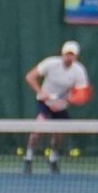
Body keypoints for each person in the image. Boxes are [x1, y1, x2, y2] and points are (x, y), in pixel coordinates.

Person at [21, 40, 87, 172]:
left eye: (72, 54)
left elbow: (82, 93)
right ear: (62, 54)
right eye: (67, 54)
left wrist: (68, 101)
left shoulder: (79, 70)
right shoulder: (50, 63)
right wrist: (41, 92)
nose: (69, 57)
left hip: (62, 105)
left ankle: (53, 159)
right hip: (44, 102)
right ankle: (28, 158)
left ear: (76, 56)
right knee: (37, 129)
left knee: (59, 135)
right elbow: (30, 77)